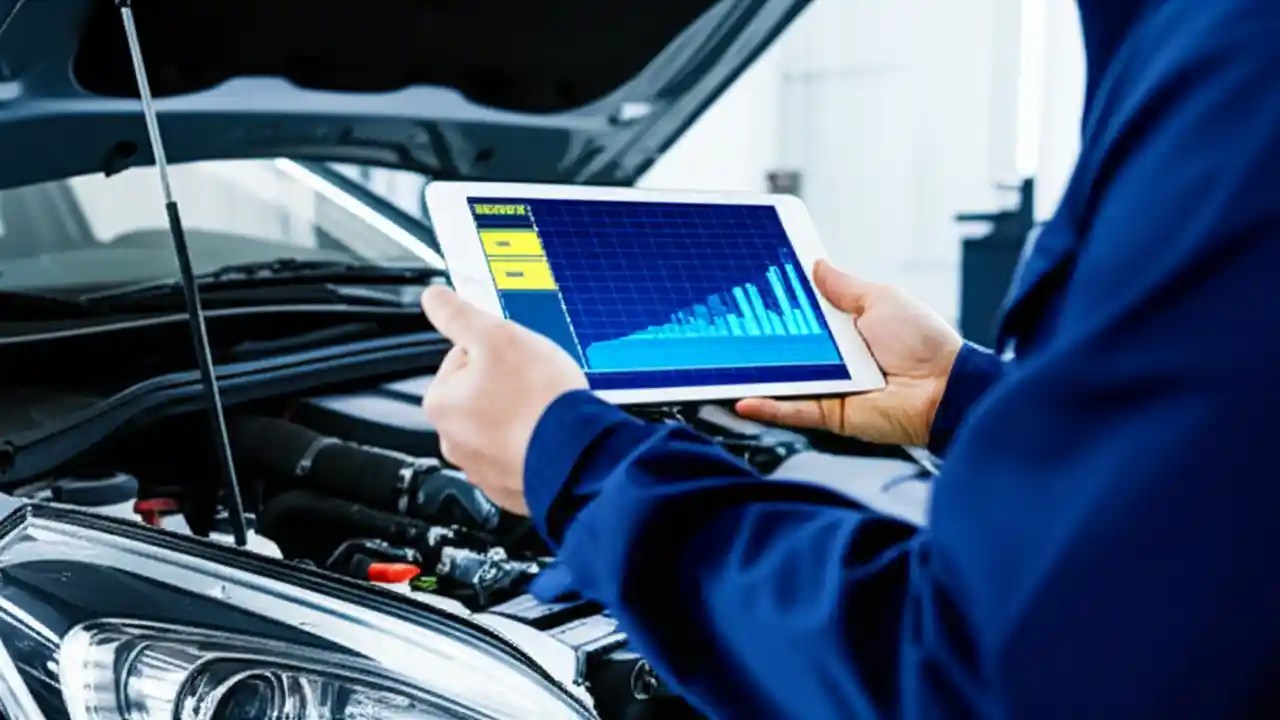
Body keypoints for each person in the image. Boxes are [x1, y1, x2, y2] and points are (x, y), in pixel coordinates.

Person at [419, 0, 1280, 717]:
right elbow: (1226, 475)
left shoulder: (1238, 66)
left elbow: (991, 677)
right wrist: (961, 391)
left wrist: (578, 465)